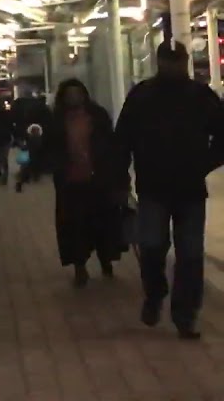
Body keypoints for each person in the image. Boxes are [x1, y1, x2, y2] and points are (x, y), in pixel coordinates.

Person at [116, 40, 224, 340]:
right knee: (152, 247)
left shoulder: (199, 96)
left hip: (187, 188)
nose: (175, 66)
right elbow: (123, 139)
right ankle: (156, 294)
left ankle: (184, 315)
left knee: (190, 254)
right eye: (170, 60)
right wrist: (120, 178)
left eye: (177, 60)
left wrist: (204, 163)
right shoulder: (144, 95)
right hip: (154, 187)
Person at [40, 79, 127, 287]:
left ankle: (106, 260)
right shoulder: (57, 121)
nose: (74, 98)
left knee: (102, 222)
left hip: (99, 180)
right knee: (75, 226)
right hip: (71, 183)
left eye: (77, 94)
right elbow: (48, 148)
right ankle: (80, 267)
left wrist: (118, 176)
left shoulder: (97, 116)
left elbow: (111, 145)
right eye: (70, 95)